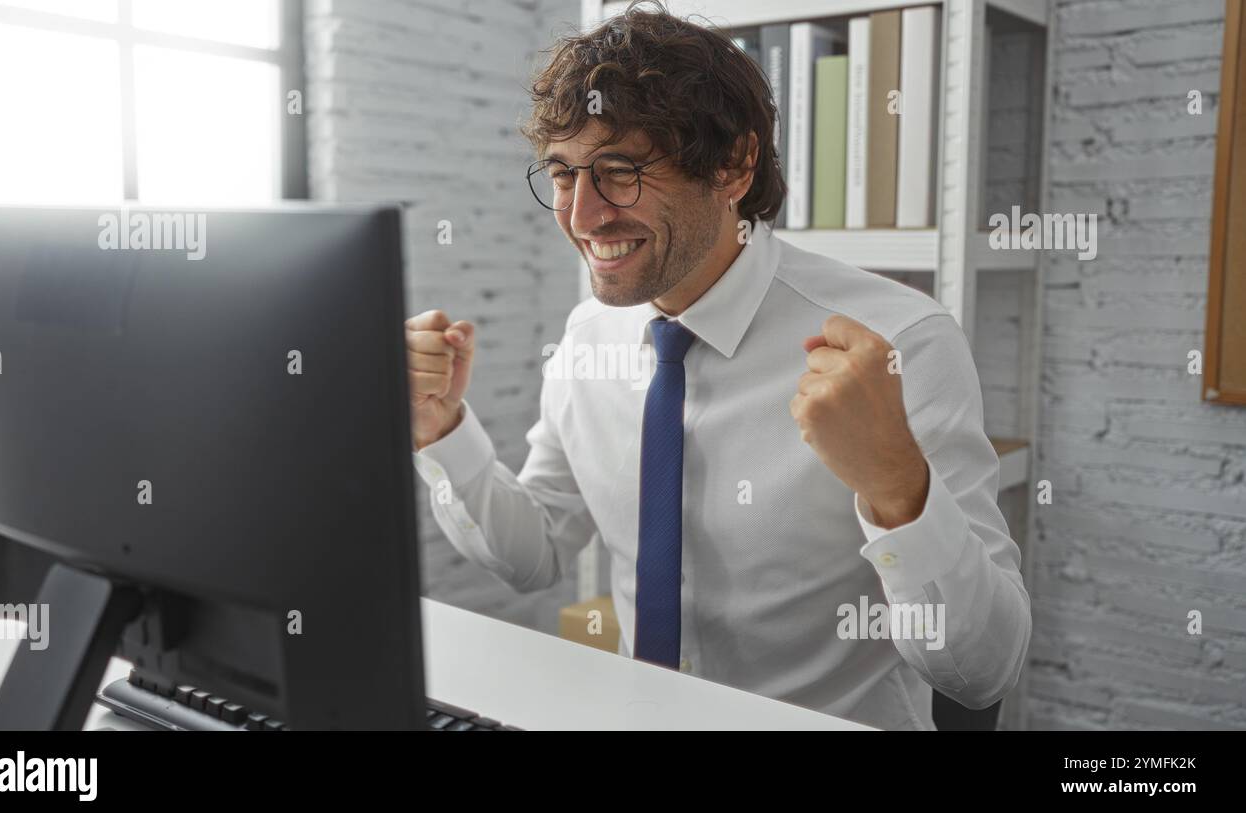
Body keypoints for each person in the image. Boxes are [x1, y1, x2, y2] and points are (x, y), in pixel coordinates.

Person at [405, 1, 1030, 730]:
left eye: (620, 170)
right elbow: (538, 551)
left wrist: (899, 487)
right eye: (564, 174)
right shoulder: (587, 335)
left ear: (734, 165)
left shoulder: (902, 341)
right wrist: (442, 429)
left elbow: (987, 668)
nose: (582, 215)